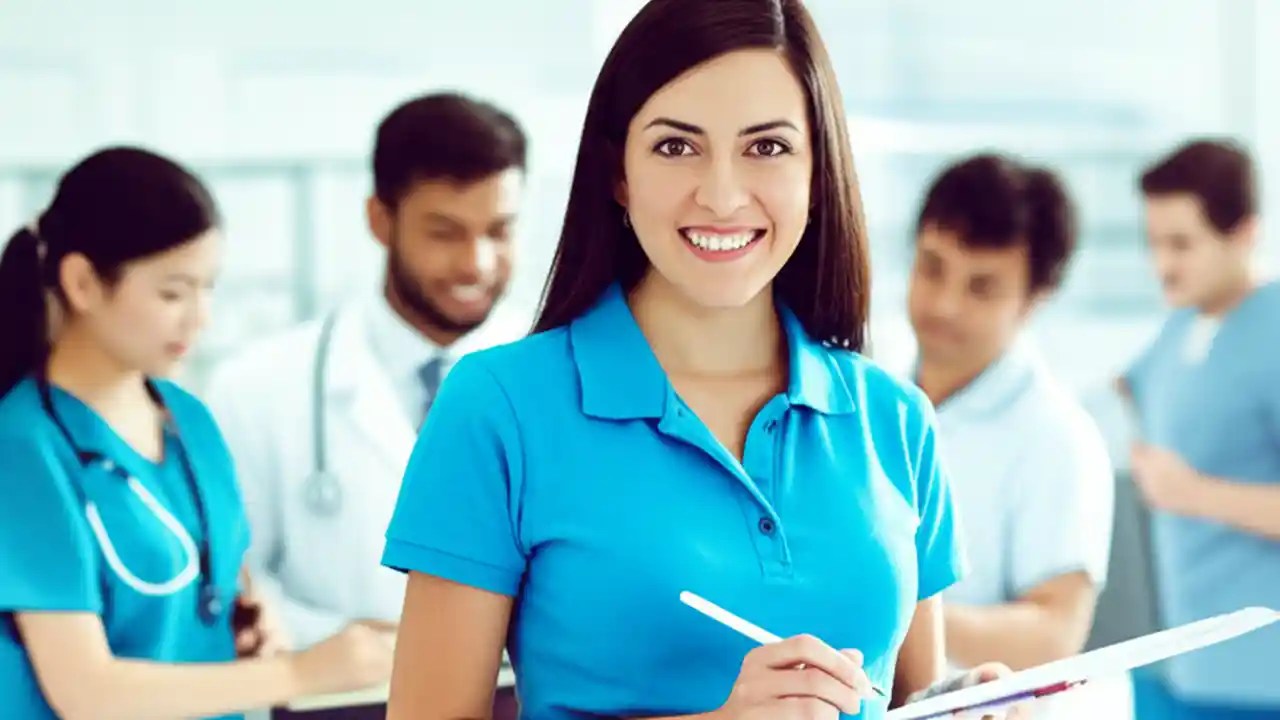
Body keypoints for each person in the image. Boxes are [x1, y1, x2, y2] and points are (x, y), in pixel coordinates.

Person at [379, 2, 1017, 719]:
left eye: (767, 148)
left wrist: (965, 707)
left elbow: (900, 703)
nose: (720, 194)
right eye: (676, 147)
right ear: (618, 172)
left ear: (818, 169)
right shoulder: (500, 408)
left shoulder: (894, 420)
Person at [0, 148, 392, 720]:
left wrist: (257, 623)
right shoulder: (23, 447)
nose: (200, 317)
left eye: (208, 288)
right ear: (82, 283)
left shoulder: (190, 419)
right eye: (173, 293)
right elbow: (85, 692)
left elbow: (220, 575)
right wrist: (297, 672)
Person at [205, 92, 529, 650]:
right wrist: (367, 648)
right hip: (340, 705)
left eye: (499, 231)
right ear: (380, 220)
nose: (476, 263)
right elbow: (234, 588)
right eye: (445, 232)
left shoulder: (567, 376)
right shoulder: (257, 389)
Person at [904, 155, 1116, 715]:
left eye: (982, 287)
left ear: (1034, 299)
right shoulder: (874, 403)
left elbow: (1054, 632)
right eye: (931, 267)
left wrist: (896, 610)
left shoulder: (1057, 436)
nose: (944, 304)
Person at [1122, 139, 1280, 720]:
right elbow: (1123, 393)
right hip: (1183, 675)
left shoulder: (1274, 330)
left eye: (1182, 244)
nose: (1162, 264)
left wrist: (1194, 495)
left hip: (1262, 687)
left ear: (1243, 234)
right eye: (1154, 243)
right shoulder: (1179, 329)